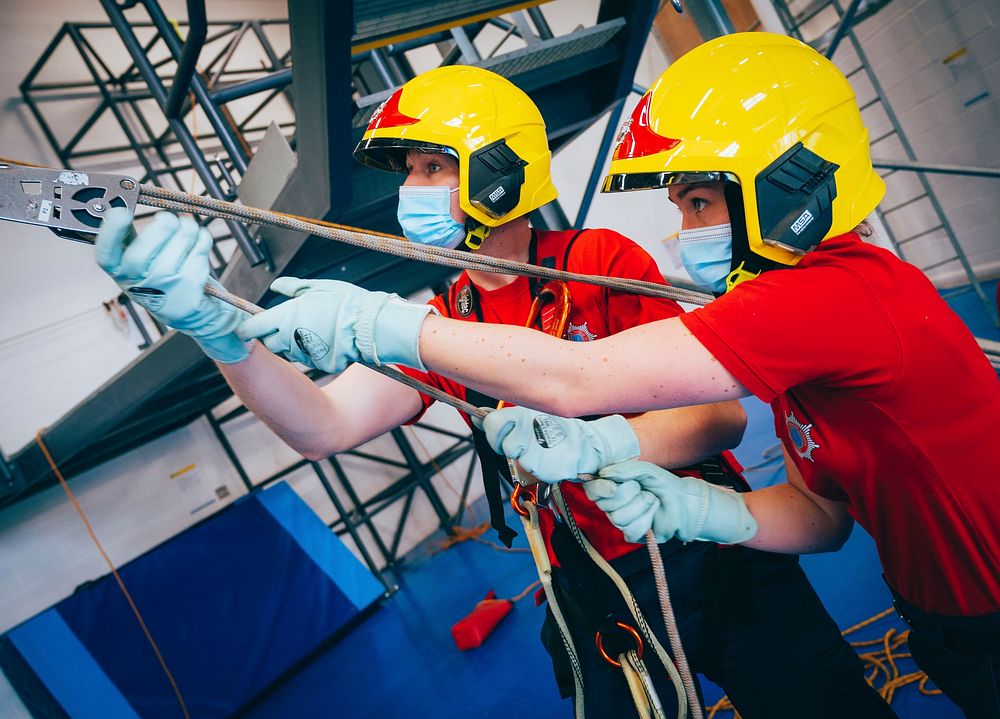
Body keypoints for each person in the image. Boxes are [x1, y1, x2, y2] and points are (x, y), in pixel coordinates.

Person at [96, 65, 895, 718]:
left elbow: (718, 416)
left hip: (697, 540)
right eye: (411, 171)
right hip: (589, 579)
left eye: (432, 166)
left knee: (818, 700)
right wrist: (216, 332)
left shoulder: (600, 261)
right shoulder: (449, 322)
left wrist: (608, 446)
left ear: (496, 173)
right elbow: (322, 425)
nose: (413, 189)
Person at [244, 35, 999, 718]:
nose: (684, 229)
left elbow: (594, 381)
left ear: (782, 185)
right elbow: (825, 514)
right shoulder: (463, 312)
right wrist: (222, 336)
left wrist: (394, 327)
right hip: (916, 614)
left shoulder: (813, 292)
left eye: (699, 201)